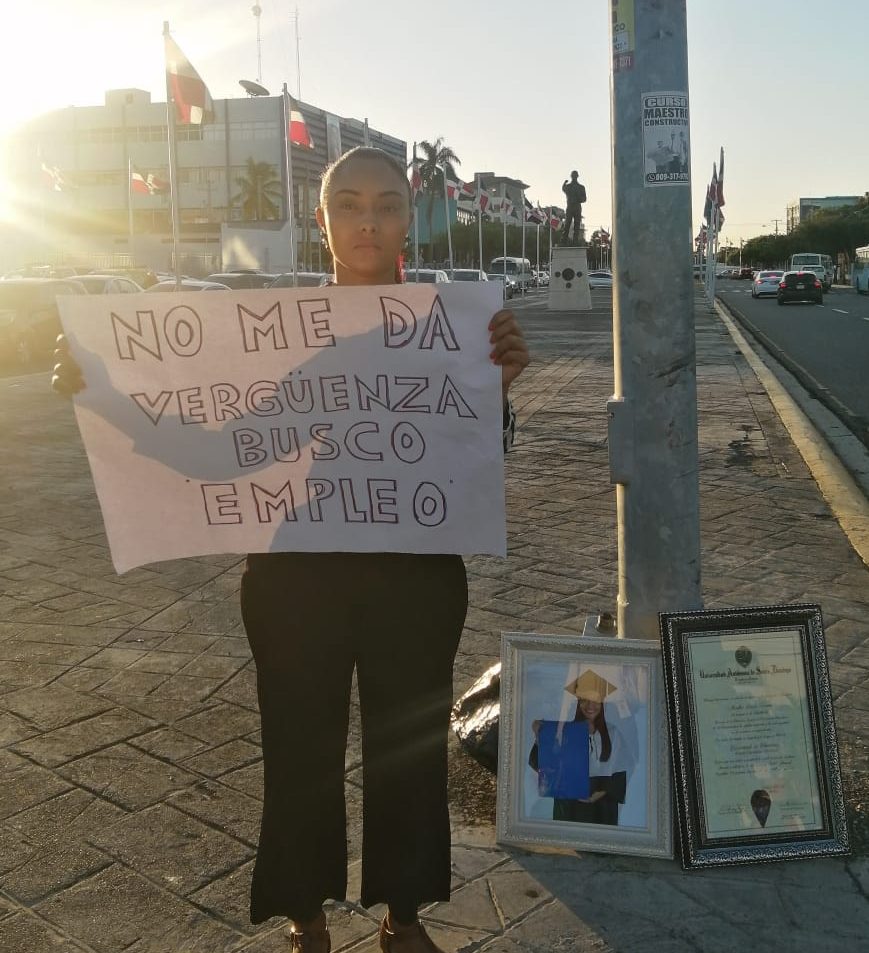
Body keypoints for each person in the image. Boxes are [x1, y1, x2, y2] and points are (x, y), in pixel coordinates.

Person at [52, 146, 529, 953]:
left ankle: (403, 916)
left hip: (415, 574)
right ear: (322, 220)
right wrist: (106, 395)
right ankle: (306, 917)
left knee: (406, 750)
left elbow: (467, 458)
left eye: (386, 203)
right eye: (348, 204)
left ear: (409, 220)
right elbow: (225, 450)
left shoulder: (454, 331)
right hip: (296, 576)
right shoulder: (282, 335)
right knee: (298, 746)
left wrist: (498, 386)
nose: (368, 220)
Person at [529, 669, 627, 825]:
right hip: (569, 806)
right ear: (578, 702)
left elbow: (620, 774)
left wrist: (599, 794)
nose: (590, 706)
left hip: (602, 808)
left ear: (602, 703)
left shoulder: (613, 734)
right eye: (584, 700)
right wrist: (540, 736)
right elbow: (540, 764)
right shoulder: (564, 731)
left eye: (595, 700)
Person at [560, 170, 587, 244]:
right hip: (570, 207)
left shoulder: (581, 187)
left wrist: (578, 199)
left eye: (575, 175)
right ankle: (564, 240)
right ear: (571, 176)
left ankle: (575, 241)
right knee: (567, 224)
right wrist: (564, 183)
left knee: (577, 225)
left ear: (577, 176)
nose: (574, 177)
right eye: (573, 175)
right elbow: (563, 189)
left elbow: (584, 199)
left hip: (577, 207)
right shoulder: (568, 186)